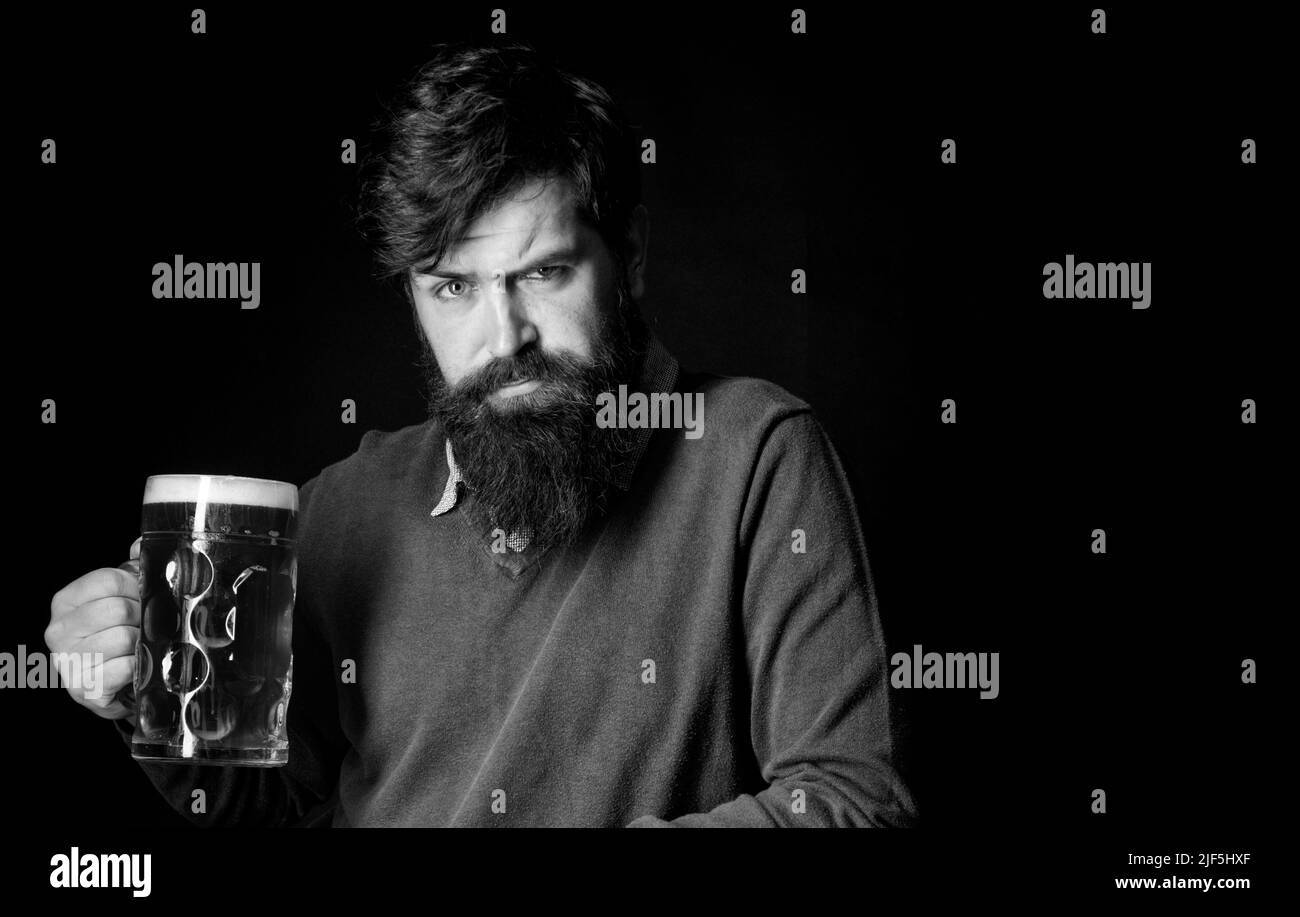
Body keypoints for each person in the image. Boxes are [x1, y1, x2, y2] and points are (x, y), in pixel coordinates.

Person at [45, 40, 918, 827]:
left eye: (543, 272)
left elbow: (850, 798)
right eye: (453, 288)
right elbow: (262, 797)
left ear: (633, 255)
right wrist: (143, 689)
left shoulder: (755, 454)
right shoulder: (343, 503)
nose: (505, 339)